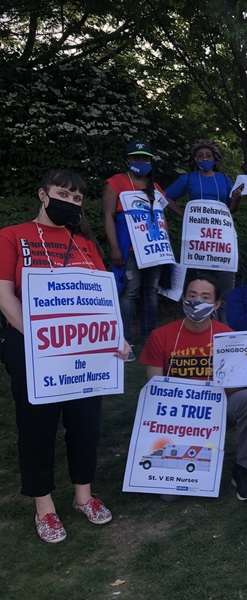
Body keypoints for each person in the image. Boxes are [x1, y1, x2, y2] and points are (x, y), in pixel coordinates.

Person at [0, 169, 131, 543]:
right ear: (43, 194)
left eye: (77, 199)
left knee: (85, 422)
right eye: (64, 194)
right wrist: (41, 338)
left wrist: (115, 338)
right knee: (37, 425)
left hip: (84, 353)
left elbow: (102, 299)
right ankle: (44, 507)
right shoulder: (11, 236)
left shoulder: (84, 244)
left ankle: (83, 496)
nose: (71, 203)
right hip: (32, 349)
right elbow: (5, 296)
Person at [139, 274, 247, 501]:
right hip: (176, 419)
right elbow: (154, 391)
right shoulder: (161, 336)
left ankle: (242, 469)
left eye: (205, 297)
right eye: (192, 296)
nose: (197, 302)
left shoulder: (227, 337)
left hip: (215, 413)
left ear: (216, 304)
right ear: (183, 298)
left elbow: (231, 391)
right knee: (169, 497)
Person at [101, 141, 176, 360]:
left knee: (151, 292)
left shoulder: (154, 186)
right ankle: (125, 340)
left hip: (155, 251)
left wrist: (167, 244)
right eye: (136, 158)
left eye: (145, 158)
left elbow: (161, 215)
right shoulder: (116, 182)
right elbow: (107, 216)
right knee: (129, 292)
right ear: (127, 160)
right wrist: (114, 247)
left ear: (150, 161)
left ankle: (149, 337)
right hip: (131, 250)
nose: (141, 162)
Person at [164, 139, 243, 325]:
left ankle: (224, 330)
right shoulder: (189, 179)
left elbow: (231, 209)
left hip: (222, 240)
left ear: (215, 158)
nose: (204, 159)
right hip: (200, 241)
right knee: (204, 286)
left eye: (208, 156)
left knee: (225, 289)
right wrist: (185, 215)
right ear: (194, 159)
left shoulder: (224, 179)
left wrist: (238, 199)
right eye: (200, 156)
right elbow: (166, 197)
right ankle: (204, 328)